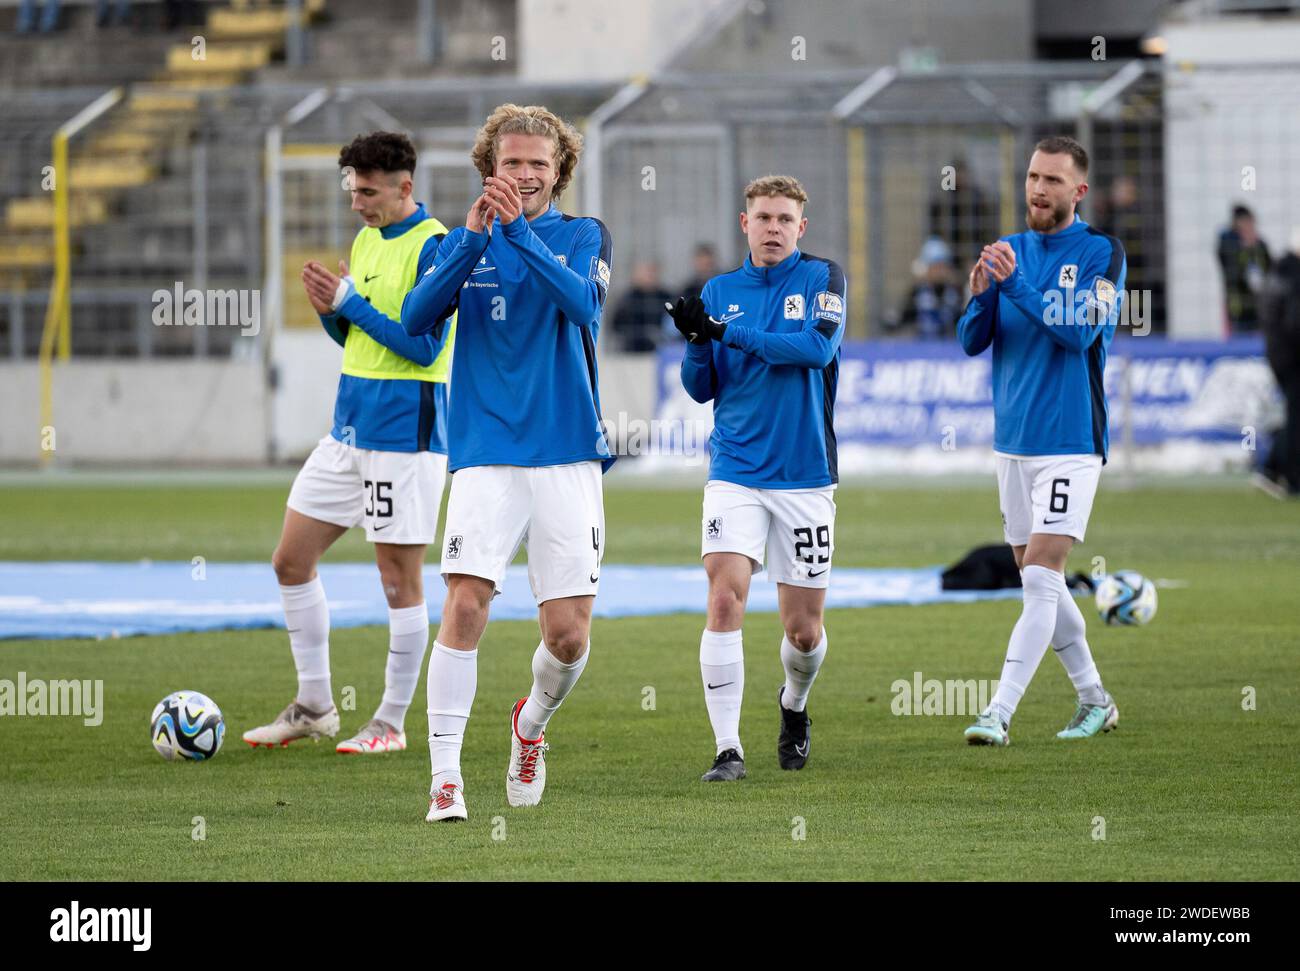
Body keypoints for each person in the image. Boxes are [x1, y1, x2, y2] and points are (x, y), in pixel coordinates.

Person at [402, 104, 614, 822]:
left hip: (566, 449)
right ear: (490, 166)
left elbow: (583, 304)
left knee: (568, 635)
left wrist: (519, 235)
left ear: (559, 173)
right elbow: (416, 319)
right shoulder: (456, 241)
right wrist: (471, 241)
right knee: (465, 603)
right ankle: (445, 780)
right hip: (487, 450)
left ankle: (529, 727)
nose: (524, 175)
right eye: (513, 163)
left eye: (539, 165)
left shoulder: (583, 235)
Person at [242, 132, 454, 758]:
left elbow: (424, 349)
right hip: (348, 432)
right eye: (352, 190)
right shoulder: (366, 240)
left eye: (368, 191)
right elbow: (360, 341)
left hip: (404, 435)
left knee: (398, 579)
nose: (358, 203)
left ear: (404, 187)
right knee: (290, 560)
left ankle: (390, 721)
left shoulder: (436, 247)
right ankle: (315, 707)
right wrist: (332, 313)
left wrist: (351, 304)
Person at [669, 174, 846, 782]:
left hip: (804, 475)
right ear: (744, 224)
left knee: (803, 632)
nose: (773, 228)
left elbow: (813, 351)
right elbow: (701, 389)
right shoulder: (719, 290)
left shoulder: (824, 280)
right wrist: (697, 341)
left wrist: (724, 332)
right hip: (735, 470)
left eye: (784, 219)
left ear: (802, 227)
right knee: (724, 599)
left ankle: (793, 705)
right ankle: (727, 749)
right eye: (762, 218)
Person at [955, 135, 1127, 746]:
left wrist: (1017, 285)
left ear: (1078, 191)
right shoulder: (1008, 251)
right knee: (1038, 577)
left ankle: (997, 711)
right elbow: (973, 341)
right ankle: (1095, 699)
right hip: (1014, 441)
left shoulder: (1103, 252)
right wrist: (980, 293)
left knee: (1040, 577)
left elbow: (1079, 333)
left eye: (1052, 180)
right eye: (1032, 176)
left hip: (1071, 439)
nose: (1038, 188)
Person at [1257, 228, 1300, 498]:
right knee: (1296, 417)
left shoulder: (1278, 270)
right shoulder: (1294, 275)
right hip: (1293, 356)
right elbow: (1295, 322)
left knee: (1294, 414)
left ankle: (1273, 467)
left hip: (1278, 353)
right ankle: (1286, 474)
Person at [888, 236, 962, 340]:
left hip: (949, 347)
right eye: (935, 267)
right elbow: (903, 318)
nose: (939, 271)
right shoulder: (917, 292)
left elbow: (962, 320)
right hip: (923, 347)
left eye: (942, 266)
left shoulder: (955, 291)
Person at [1218, 205, 1271, 335]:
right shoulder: (1228, 245)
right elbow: (1232, 274)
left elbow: (1270, 270)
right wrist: (1246, 250)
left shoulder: (1260, 245)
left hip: (1260, 309)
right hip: (1238, 310)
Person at [608, 261, 673, 352]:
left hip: (661, 348)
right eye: (644, 272)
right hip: (632, 349)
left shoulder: (666, 297)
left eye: (651, 272)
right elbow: (616, 325)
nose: (648, 276)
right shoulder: (627, 299)